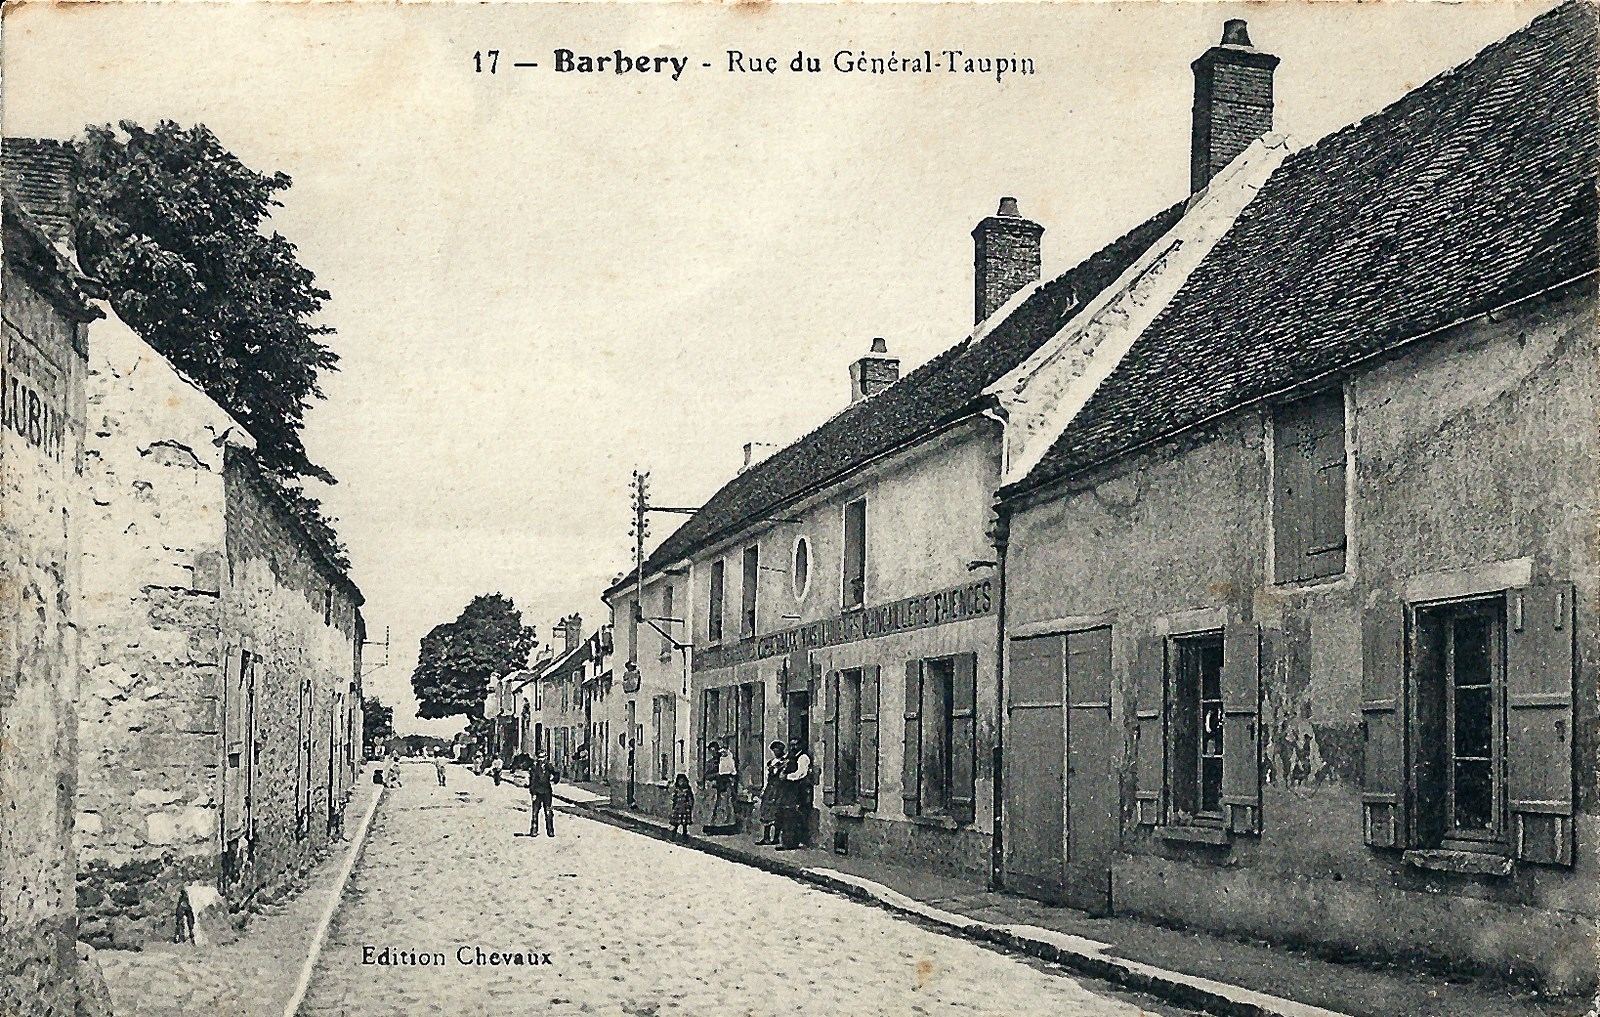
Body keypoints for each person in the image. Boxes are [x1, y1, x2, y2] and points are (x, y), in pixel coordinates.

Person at [777, 738, 812, 851]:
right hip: (789, 790)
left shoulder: (803, 757)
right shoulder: (790, 757)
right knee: (786, 815)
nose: (793, 747)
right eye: (791, 745)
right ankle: (786, 841)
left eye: (795, 745)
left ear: (800, 746)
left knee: (793, 816)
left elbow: (801, 774)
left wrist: (787, 776)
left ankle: (792, 842)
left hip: (798, 790)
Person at [756, 740, 787, 845]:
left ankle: (776, 837)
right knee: (766, 812)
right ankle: (766, 837)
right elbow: (767, 778)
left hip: (779, 790)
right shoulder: (771, 762)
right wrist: (764, 790)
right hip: (770, 790)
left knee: (777, 813)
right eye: (774, 751)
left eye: (777, 750)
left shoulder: (784, 762)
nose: (775, 752)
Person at [525, 750, 560, 837]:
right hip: (537, 791)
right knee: (535, 812)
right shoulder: (534, 767)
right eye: (539, 757)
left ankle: (550, 831)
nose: (541, 759)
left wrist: (554, 780)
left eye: (543, 757)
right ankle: (534, 830)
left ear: (545, 757)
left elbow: (556, 773)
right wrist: (533, 793)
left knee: (548, 811)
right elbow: (532, 780)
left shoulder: (549, 766)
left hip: (546, 791)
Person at [706, 745, 739, 834]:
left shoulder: (726, 760)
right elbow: (707, 776)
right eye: (712, 751)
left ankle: (727, 827)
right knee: (714, 808)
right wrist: (717, 775)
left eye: (715, 751)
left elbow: (733, 772)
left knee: (726, 806)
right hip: (715, 788)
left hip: (725, 787)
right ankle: (713, 828)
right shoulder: (710, 763)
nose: (714, 753)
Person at [668, 773, 694, 839]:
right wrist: (673, 805)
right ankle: (673, 835)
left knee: (684, 823)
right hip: (678, 808)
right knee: (676, 822)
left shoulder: (687, 790)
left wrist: (690, 804)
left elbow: (690, 798)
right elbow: (674, 798)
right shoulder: (677, 790)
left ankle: (684, 834)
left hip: (685, 808)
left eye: (683, 781)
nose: (682, 783)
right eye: (680, 781)